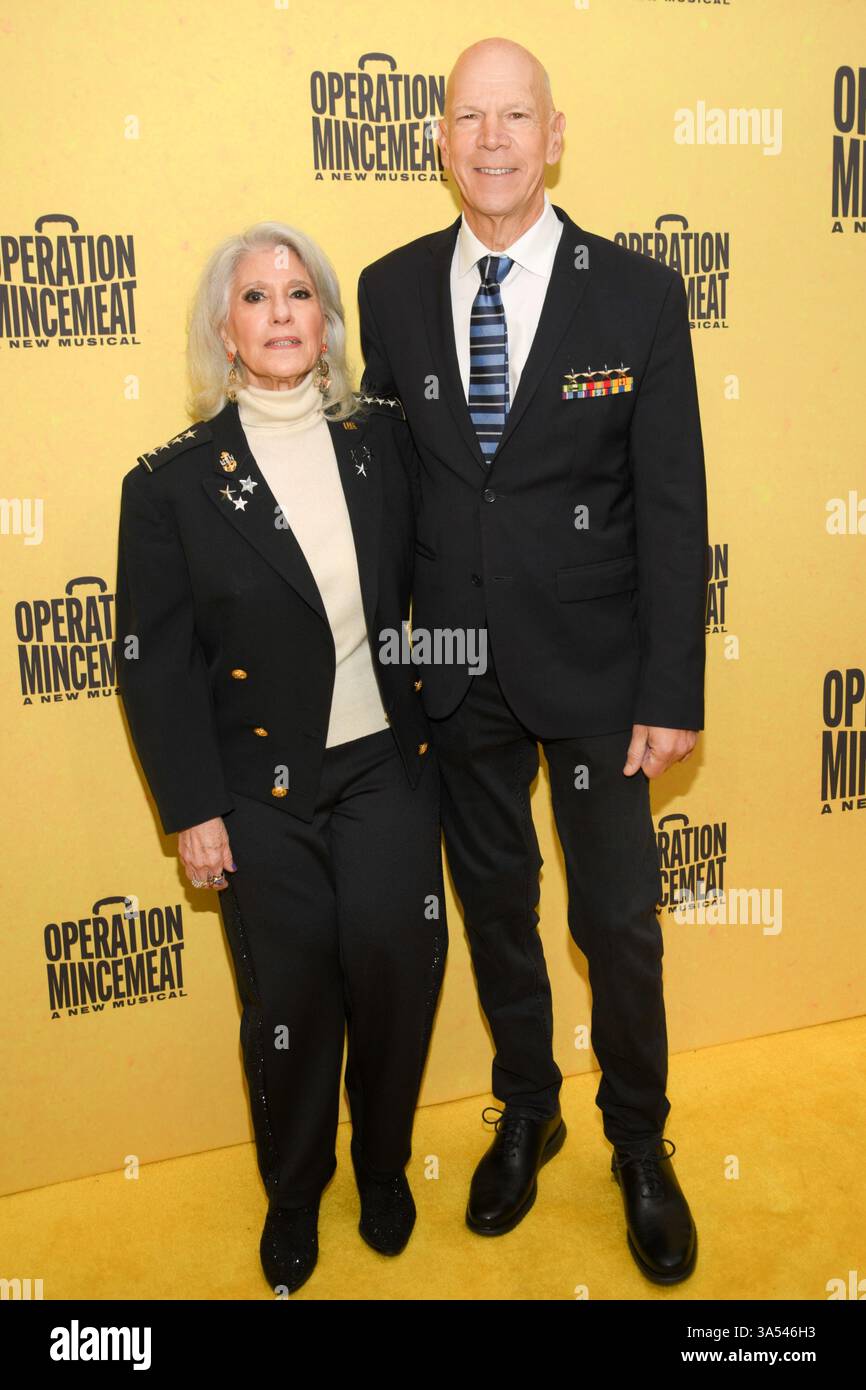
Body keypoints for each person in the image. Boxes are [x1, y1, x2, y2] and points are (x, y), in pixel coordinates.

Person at [358, 39, 707, 1284]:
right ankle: (527, 1107)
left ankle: (638, 1141)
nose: (493, 140)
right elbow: (384, 491)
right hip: (455, 672)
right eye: (470, 117)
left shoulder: (638, 295)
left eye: (516, 117)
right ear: (439, 141)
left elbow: (671, 506)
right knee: (497, 912)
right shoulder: (390, 290)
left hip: (601, 674)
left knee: (616, 923)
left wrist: (670, 688)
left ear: (554, 137)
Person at [115, 221, 447, 1296]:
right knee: (291, 1000)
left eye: (299, 293)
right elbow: (156, 665)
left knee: (395, 973)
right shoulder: (170, 485)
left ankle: (383, 1167)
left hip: (384, 764)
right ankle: (295, 1193)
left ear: (327, 320)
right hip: (258, 788)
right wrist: (191, 810)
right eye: (255, 297)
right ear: (225, 330)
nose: (280, 314)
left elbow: (445, 572)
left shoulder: (383, 441)